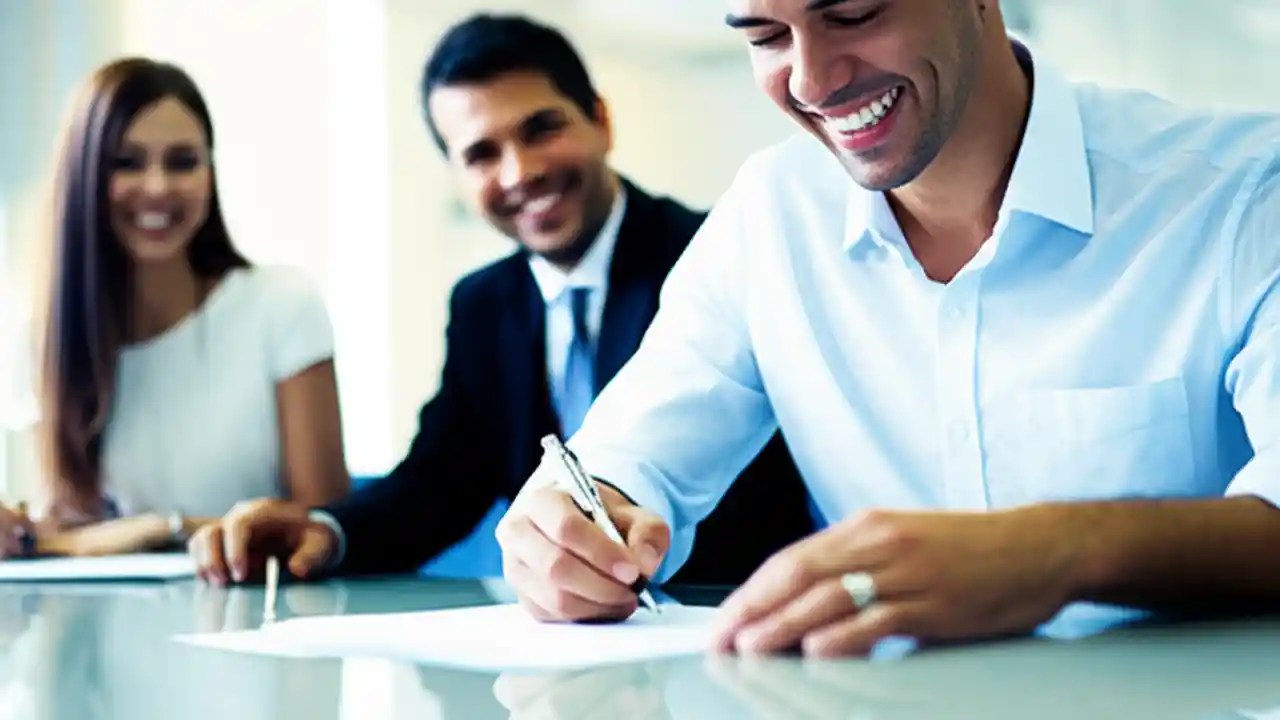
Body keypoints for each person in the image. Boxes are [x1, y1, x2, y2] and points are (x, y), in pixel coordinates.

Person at [495, 0, 1280, 656]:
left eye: (852, 13)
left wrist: (1052, 553)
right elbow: (623, 464)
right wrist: (572, 527)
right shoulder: (768, 219)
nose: (811, 79)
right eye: (766, 37)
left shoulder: (1242, 198)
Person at [187, 14, 814, 586]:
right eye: (482, 154)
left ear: (601, 120)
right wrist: (324, 531)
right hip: (572, 653)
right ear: (457, 176)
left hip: (740, 632)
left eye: (541, 129)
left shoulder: (716, 256)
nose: (519, 172)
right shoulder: (484, 305)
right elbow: (435, 485)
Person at [0, 58, 348, 559]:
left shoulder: (281, 308)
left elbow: (319, 528)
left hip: (254, 619)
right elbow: (65, 534)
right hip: (101, 631)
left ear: (211, 172)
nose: (159, 187)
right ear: (85, 178)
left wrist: (162, 529)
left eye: (183, 161)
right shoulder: (40, 339)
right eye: (127, 162)